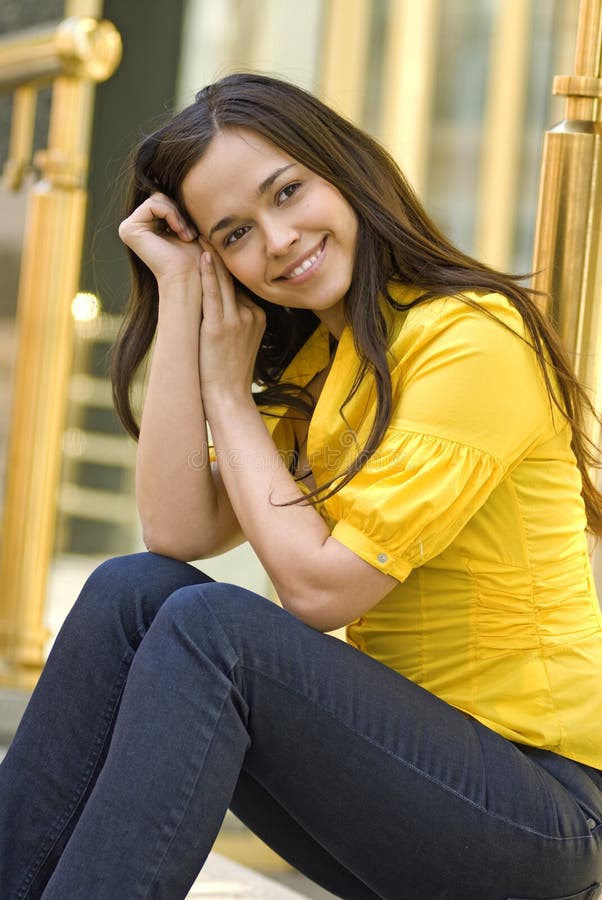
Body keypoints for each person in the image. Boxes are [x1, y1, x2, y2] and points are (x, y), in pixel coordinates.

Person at [1, 72, 601, 900]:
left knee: (215, 631)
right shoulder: (334, 361)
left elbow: (321, 591)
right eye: (237, 233)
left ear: (345, 172)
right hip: (410, 776)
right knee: (135, 591)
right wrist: (182, 295)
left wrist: (226, 389)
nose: (278, 240)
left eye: (289, 192)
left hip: (542, 815)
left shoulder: (469, 341)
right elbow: (175, 533)